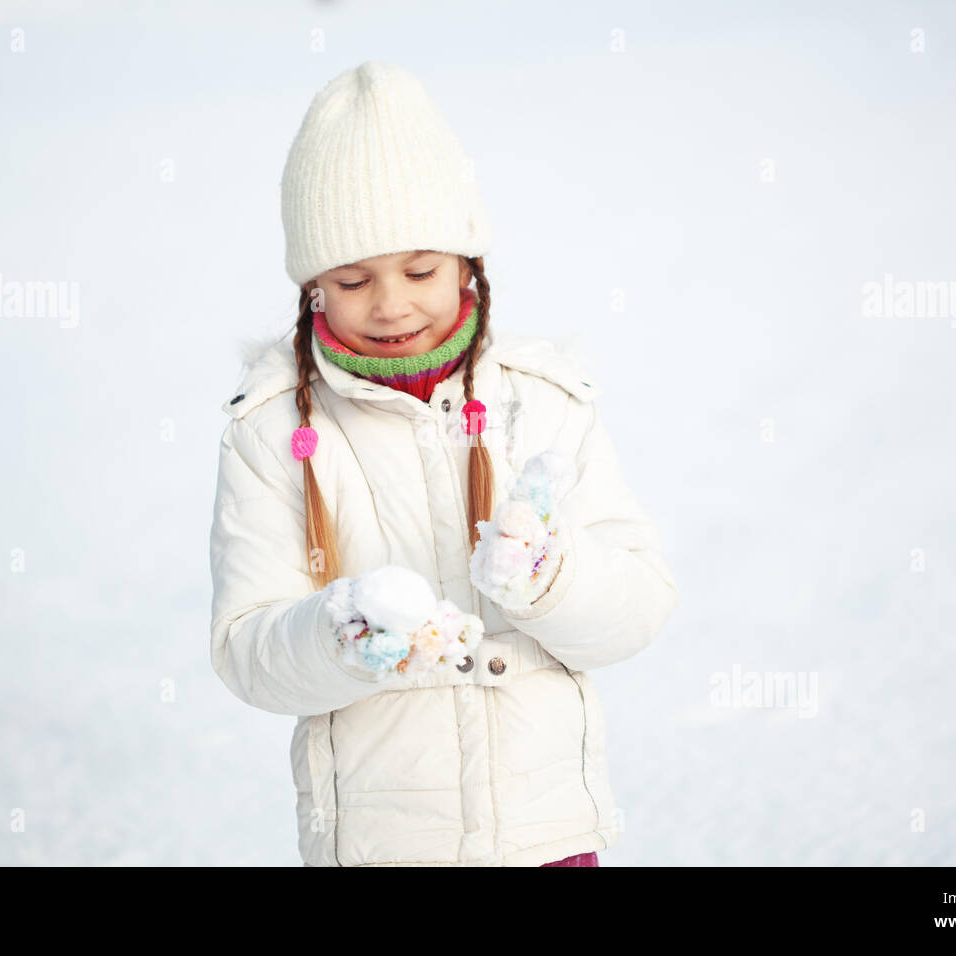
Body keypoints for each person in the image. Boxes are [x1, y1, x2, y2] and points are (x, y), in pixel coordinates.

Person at [208, 60, 678, 866]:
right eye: (353, 279)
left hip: (547, 839)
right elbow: (248, 651)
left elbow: (638, 607)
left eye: (420, 270)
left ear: (469, 262)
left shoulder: (543, 403)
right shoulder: (273, 430)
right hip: (384, 846)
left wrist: (555, 577)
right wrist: (337, 636)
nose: (390, 304)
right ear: (312, 288)